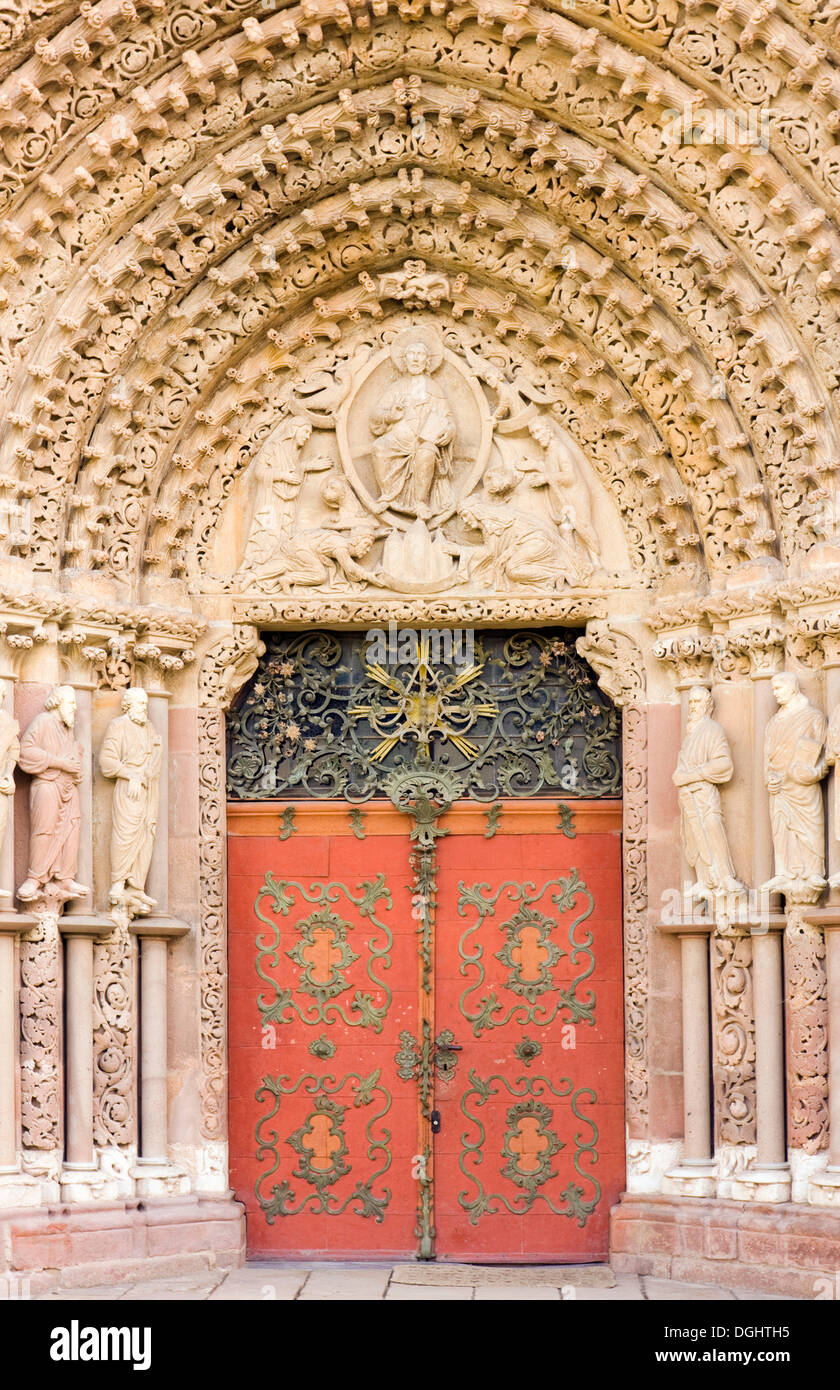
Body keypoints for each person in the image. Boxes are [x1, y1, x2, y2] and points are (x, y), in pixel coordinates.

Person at [673, 686, 744, 908]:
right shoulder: (690, 734)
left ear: (708, 705)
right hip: (688, 797)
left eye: (697, 702)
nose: (692, 706)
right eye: (691, 702)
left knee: (711, 829)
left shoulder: (712, 730)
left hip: (703, 793)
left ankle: (724, 878)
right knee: (695, 836)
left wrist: (690, 776)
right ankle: (704, 879)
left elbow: (724, 764)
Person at [17, 685, 88, 903]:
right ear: (58, 703)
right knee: (44, 829)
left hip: (67, 788)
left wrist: (76, 766)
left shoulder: (68, 730)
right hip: (47, 785)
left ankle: (65, 877)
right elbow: (25, 752)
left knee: (72, 828)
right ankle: (35, 877)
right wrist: (60, 763)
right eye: (71, 703)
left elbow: (73, 762)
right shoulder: (43, 722)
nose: (74, 709)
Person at [369, 338, 455, 517]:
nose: (415, 359)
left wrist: (449, 431)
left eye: (420, 354)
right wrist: (390, 415)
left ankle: (420, 503)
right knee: (379, 447)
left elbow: (447, 418)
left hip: (424, 441)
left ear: (427, 361)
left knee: (426, 453)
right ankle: (387, 495)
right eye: (411, 354)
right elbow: (377, 413)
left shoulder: (434, 388)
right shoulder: (396, 387)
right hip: (399, 439)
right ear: (405, 359)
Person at [762, 672, 828, 902]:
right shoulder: (773, 722)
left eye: (779, 688)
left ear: (792, 687)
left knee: (809, 828)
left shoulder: (813, 717)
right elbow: (767, 757)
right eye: (773, 689)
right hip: (780, 786)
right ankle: (784, 872)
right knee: (782, 830)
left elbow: (827, 755)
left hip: (803, 785)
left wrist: (814, 772)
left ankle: (813, 872)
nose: (775, 693)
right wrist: (769, 777)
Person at [99, 687, 162, 917]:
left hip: (147, 787)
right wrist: (130, 774)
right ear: (128, 705)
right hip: (129, 788)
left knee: (147, 832)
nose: (144, 708)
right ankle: (118, 882)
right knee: (125, 833)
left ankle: (136, 885)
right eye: (139, 704)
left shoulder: (149, 728)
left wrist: (149, 765)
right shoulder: (118, 725)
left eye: (145, 704)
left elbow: (155, 759)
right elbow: (106, 762)